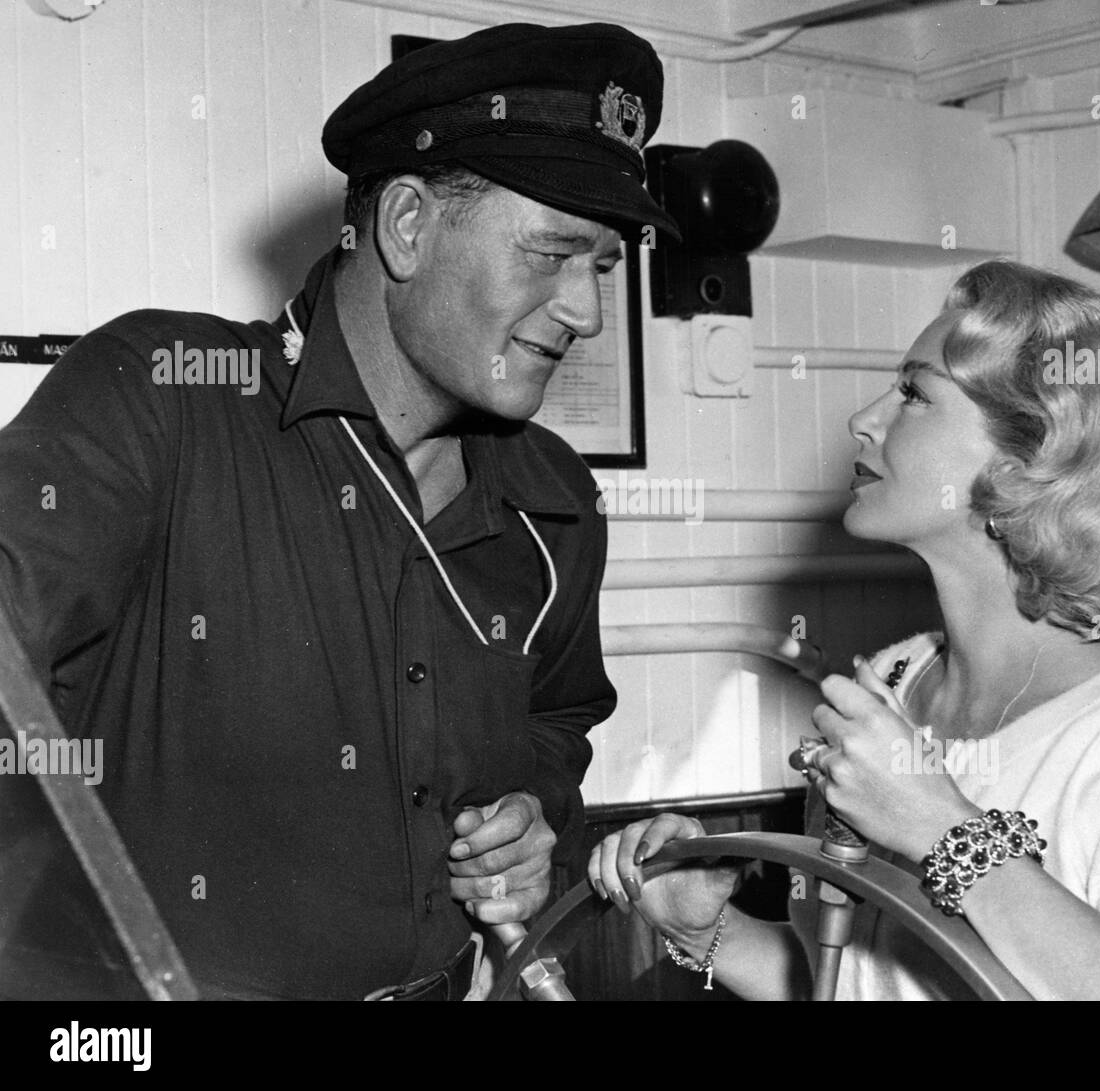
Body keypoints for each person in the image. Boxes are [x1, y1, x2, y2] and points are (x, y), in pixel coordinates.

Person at [0, 21, 678, 1001]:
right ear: (404, 225)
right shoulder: (160, 396)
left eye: (603, 267)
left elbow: (555, 724)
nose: (586, 310)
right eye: (553, 254)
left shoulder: (558, 504)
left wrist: (535, 812)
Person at [590, 260, 1100, 1001]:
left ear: (1032, 456)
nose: (865, 418)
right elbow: (852, 979)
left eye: (914, 393)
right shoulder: (890, 681)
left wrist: (943, 829)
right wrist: (707, 932)